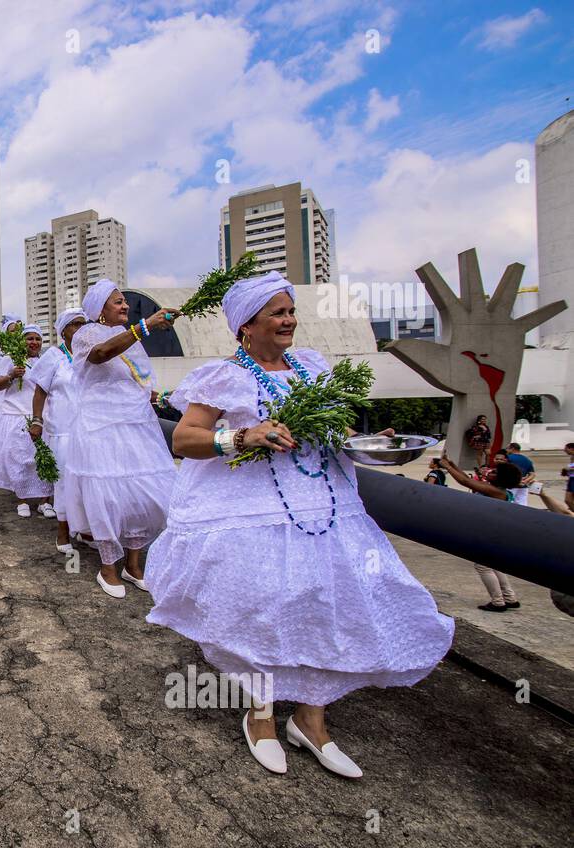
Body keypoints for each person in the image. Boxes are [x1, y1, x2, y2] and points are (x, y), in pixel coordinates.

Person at [146, 271, 453, 778]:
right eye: (279, 313)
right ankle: (261, 716)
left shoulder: (311, 366)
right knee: (263, 608)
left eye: (291, 311)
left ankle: (311, 722)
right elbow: (185, 439)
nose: (290, 320)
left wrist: (368, 442)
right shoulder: (224, 376)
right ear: (247, 325)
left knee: (326, 604)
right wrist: (244, 436)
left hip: (328, 508)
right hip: (255, 514)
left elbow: (334, 426)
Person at [61, 281, 176, 598]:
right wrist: (145, 325)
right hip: (100, 425)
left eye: (125, 301)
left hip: (136, 424)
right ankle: (108, 566)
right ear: (100, 309)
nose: (125, 306)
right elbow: (101, 355)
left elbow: (133, 377)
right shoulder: (88, 334)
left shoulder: (132, 339)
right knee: (108, 495)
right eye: (118, 302)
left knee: (142, 495)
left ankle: (134, 565)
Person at [437, 454, 527, 612]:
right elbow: (468, 479)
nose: (490, 472)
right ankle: (509, 597)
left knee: (483, 566)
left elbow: (466, 482)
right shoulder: (500, 491)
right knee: (495, 566)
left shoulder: (496, 492)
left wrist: (448, 467)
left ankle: (498, 601)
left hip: (490, 534)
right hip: (497, 533)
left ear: (501, 479)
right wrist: (452, 464)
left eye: (494, 472)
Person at [28, 309, 87, 551]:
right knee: (64, 481)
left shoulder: (90, 355)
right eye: (75, 325)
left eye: (84, 324)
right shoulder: (54, 356)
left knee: (86, 480)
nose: (81, 329)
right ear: (63, 332)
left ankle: (85, 530)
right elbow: (40, 391)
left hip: (88, 429)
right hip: (61, 428)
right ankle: (63, 533)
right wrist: (37, 421)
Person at [0, 325, 54, 517]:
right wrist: (11, 375)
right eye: (29, 338)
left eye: (37, 339)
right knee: (19, 459)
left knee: (44, 459)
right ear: (22, 341)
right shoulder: (10, 359)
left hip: (41, 416)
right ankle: (21, 499)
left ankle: (44, 501)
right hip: (15, 415)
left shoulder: (47, 361)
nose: (34, 342)